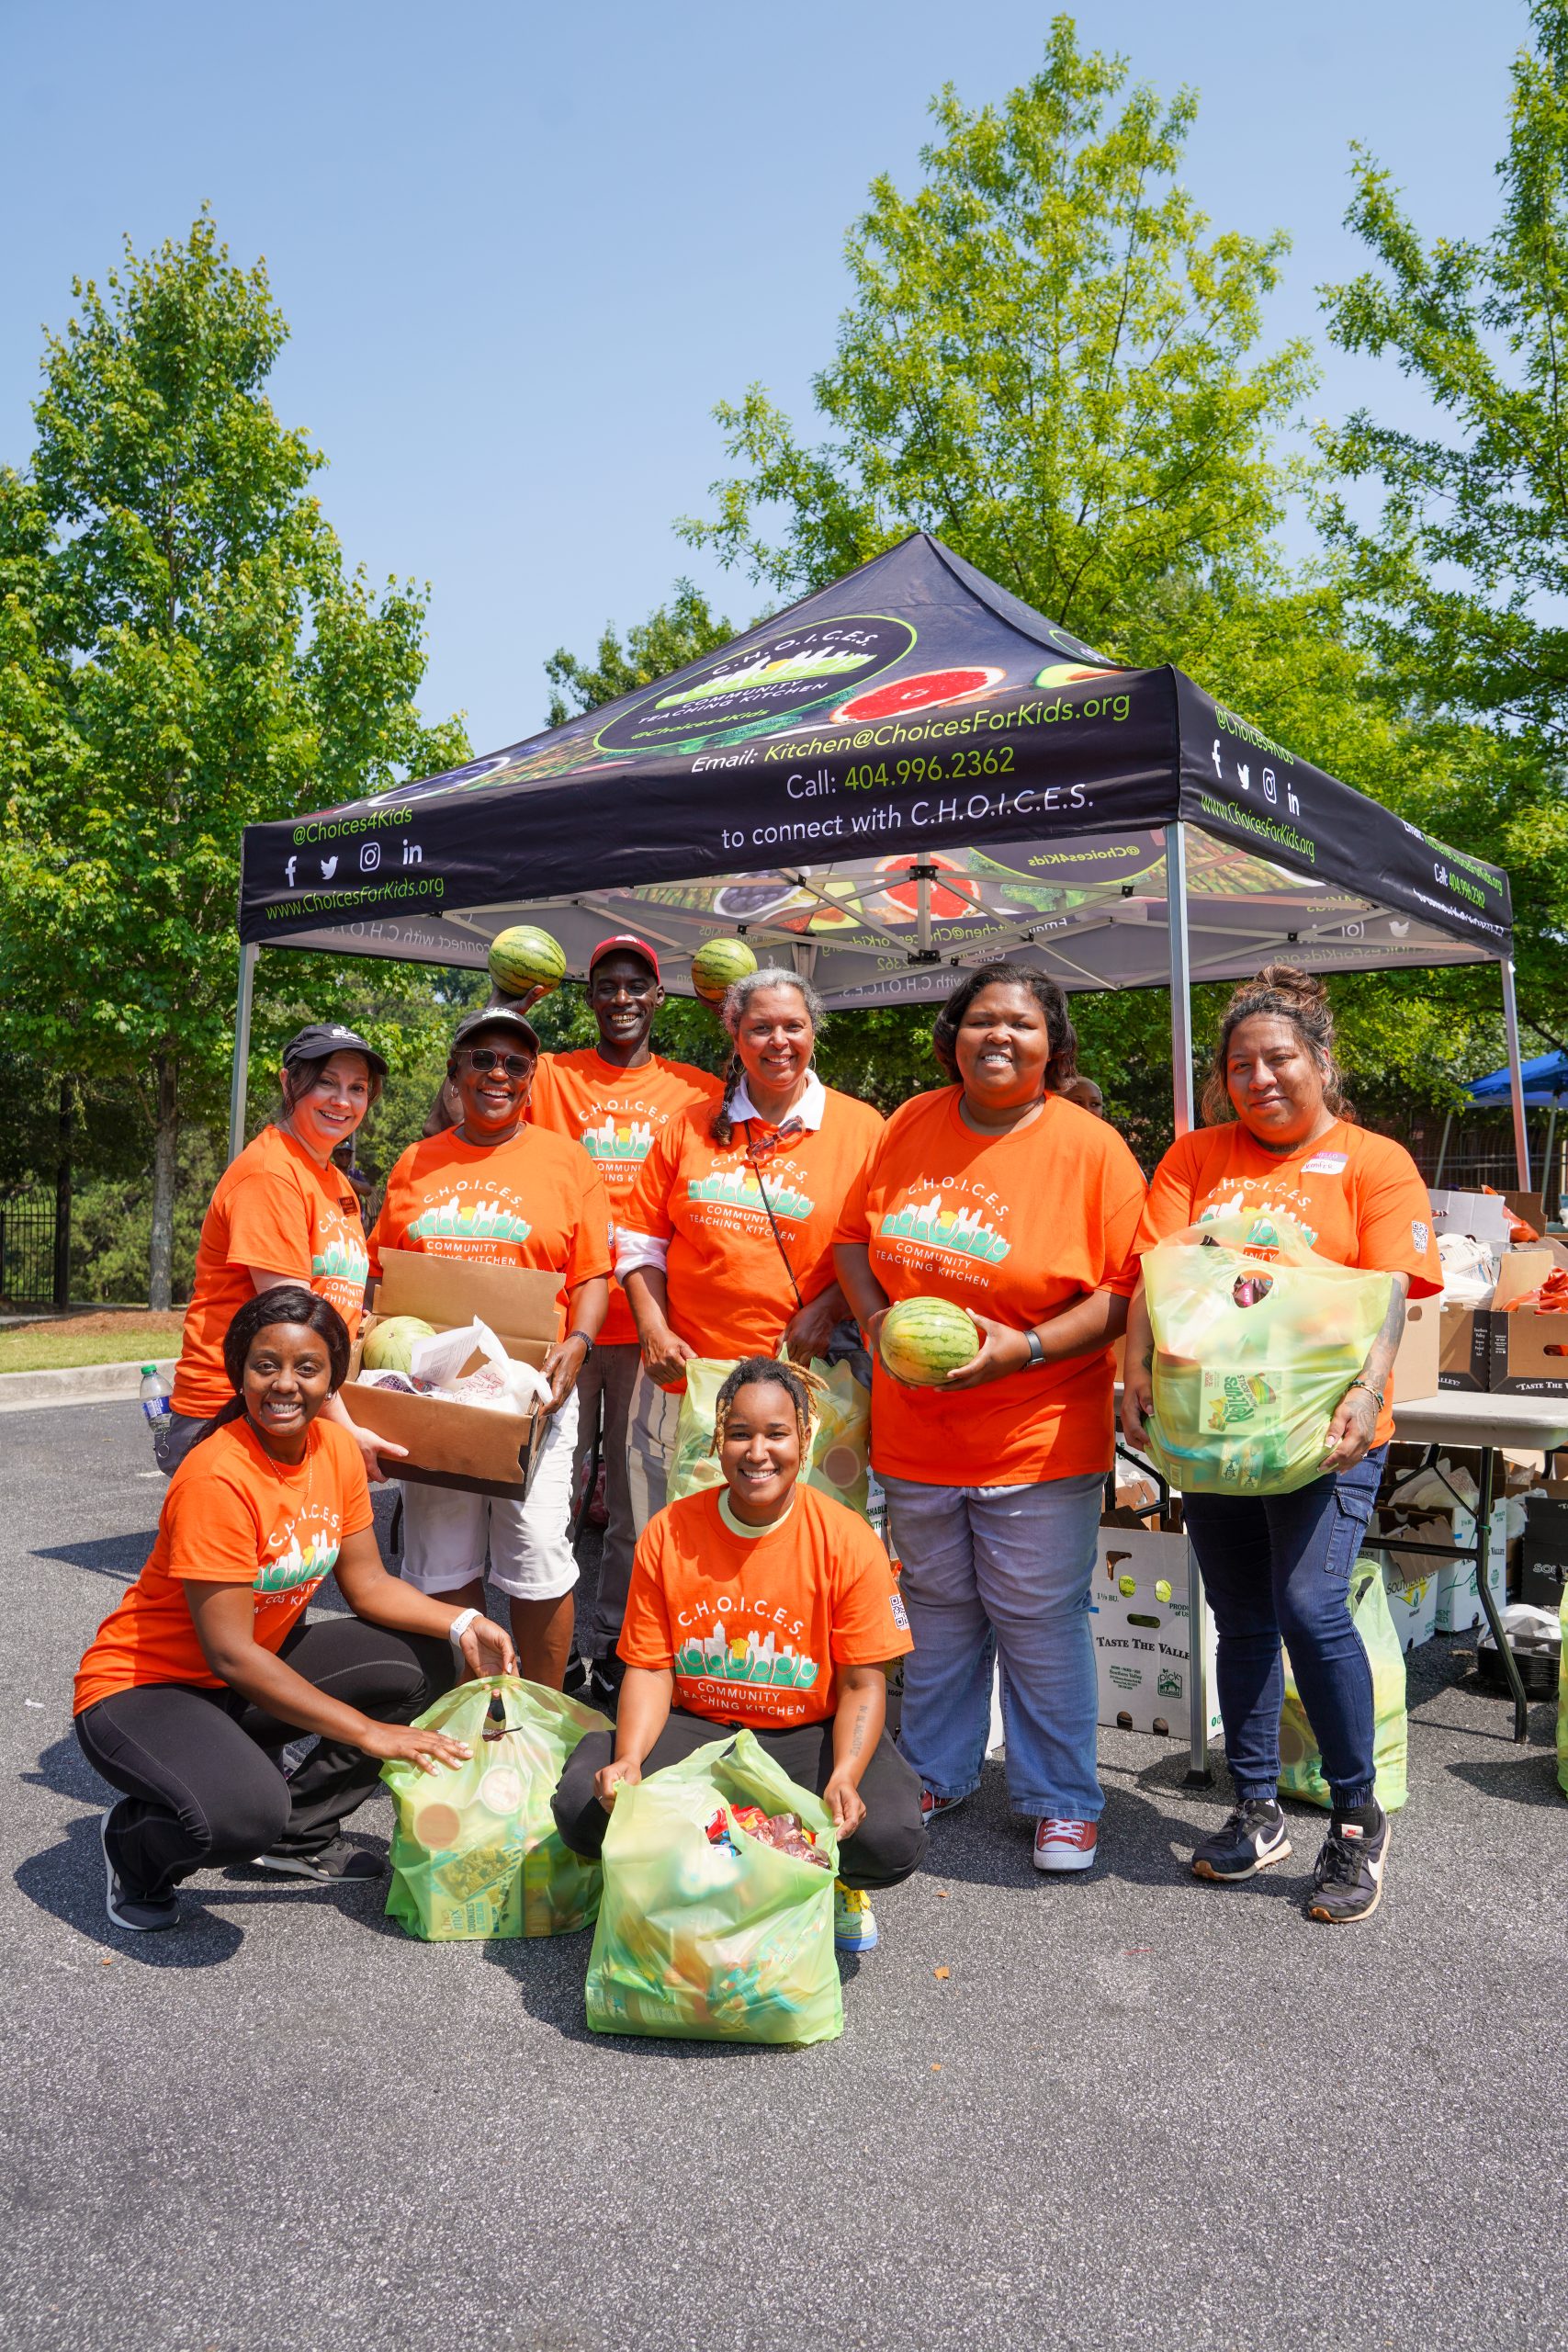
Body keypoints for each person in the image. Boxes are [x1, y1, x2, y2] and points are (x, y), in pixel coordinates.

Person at [1122, 966, 1439, 1924]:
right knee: (1243, 1613)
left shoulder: (1375, 1161)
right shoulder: (1193, 1157)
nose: (1259, 1078)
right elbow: (1155, 1276)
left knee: (1310, 1605)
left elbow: (1388, 1293)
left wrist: (1368, 1390)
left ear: (1321, 1063)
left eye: (1279, 1059)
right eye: (1240, 1065)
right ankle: (1256, 1809)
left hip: (1326, 1434)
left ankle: (1355, 1819)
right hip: (1219, 1435)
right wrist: (1132, 1372)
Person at [834, 962, 1146, 1874]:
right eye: (979, 1021)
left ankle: (1061, 1800)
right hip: (918, 1430)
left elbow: (1125, 1291)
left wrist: (1029, 1346)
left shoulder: (1092, 1149)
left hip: (1037, 1430)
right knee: (936, 1611)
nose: (997, 1037)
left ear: (1053, 1045)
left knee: (1037, 1619)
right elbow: (854, 1240)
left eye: (1019, 1024)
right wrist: (873, 1319)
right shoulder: (912, 1122)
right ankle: (937, 1768)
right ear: (953, 1035)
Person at [74, 1288, 516, 1932]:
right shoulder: (216, 1478)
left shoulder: (334, 1451)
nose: (285, 1385)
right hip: (144, 1690)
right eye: (265, 1366)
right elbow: (231, 1651)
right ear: (239, 1371)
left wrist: (464, 1622)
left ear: (332, 1376)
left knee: (421, 1659)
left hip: (238, 1679)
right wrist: (369, 1732)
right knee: (240, 1815)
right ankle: (137, 1845)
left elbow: (367, 1586)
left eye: (306, 1369)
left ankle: (297, 1836)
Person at [551, 1356, 927, 1952]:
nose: (757, 1452)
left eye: (775, 1434)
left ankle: (830, 1883)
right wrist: (627, 1761)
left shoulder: (847, 1538)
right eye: (740, 1433)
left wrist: (845, 1778)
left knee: (885, 1833)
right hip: (699, 1728)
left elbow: (863, 1684)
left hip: (805, 1735)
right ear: (717, 1440)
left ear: (804, 1440)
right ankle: (686, 1874)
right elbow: (649, 1667)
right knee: (582, 1804)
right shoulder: (669, 1532)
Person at [368, 1004, 611, 1689]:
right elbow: (385, 1272)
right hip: (433, 1398)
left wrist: (580, 1341)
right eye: (482, 1060)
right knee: (443, 1560)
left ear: (531, 1078)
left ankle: (539, 1713)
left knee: (536, 1554)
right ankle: (474, 1710)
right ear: (455, 1076)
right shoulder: (416, 1162)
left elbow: (592, 1271)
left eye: (515, 1063)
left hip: (530, 1395)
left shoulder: (566, 1161)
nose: (498, 1073)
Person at [617, 967, 883, 1534]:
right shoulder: (686, 1128)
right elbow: (641, 1240)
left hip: (810, 1383)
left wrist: (830, 1309)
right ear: (736, 1035)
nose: (779, 1042)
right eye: (761, 1028)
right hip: (685, 1377)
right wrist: (653, 1328)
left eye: (794, 1026)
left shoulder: (863, 1130)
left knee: (804, 1543)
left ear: (814, 1033)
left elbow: (880, 1247)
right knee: (676, 1537)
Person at [525, 935, 720, 1707]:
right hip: (560, 1323)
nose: (622, 998)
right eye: (606, 985)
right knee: (551, 1499)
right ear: (589, 997)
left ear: (658, 997)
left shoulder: (697, 1090)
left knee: (640, 1508)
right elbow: (474, 1069)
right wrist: (518, 999)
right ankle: (548, 1648)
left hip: (652, 1329)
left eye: (637, 985)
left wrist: (723, 1005)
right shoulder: (549, 1074)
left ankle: (613, 1644)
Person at [163, 1024, 398, 1480]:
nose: (342, 1101)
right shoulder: (272, 1173)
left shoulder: (331, 1179)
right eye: (326, 1082)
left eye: (357, 1088)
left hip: (296, 1401)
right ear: (289, 1083)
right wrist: (347, 1428)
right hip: (238, 1410)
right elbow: (291, 1326)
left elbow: (337, 1300)